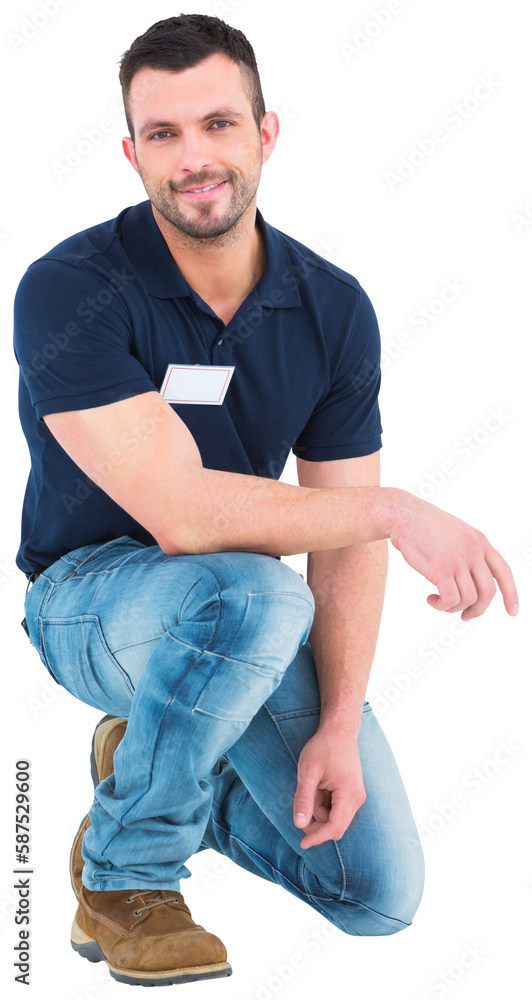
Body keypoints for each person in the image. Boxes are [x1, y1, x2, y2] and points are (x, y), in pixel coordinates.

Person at [14, 13, 518, 990]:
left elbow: (340, 543)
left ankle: (149, 766)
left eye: (218, 123)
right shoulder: (69, 289)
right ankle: (125, 877)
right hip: (89, 599)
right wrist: (400, 509)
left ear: (264, 133)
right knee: (252, 587)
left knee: (374, 891)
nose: (194, 156)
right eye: (163, 134)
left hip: (236, 618)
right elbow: (184, 517)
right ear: (130, 153)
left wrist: (334, 724)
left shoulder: (329, 308)